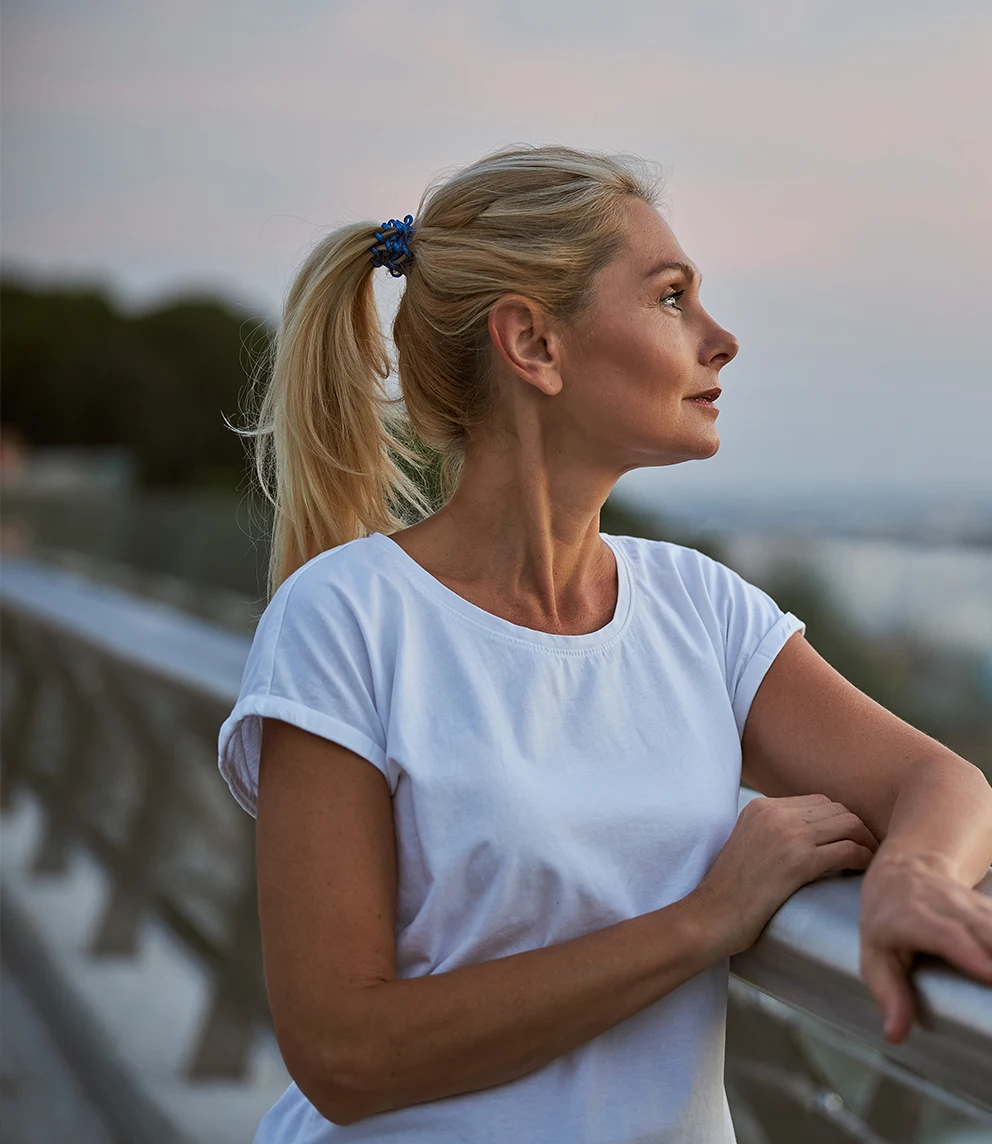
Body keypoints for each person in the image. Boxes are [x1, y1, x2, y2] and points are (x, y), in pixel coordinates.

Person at [216, 143, 992, 1142]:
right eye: (670, 297)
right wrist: (702, 920)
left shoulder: (696, 607)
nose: (721, 340)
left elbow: (940, 784)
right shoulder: (347, 618)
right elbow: (342, 1056)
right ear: (532, 343)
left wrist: (913, 877)